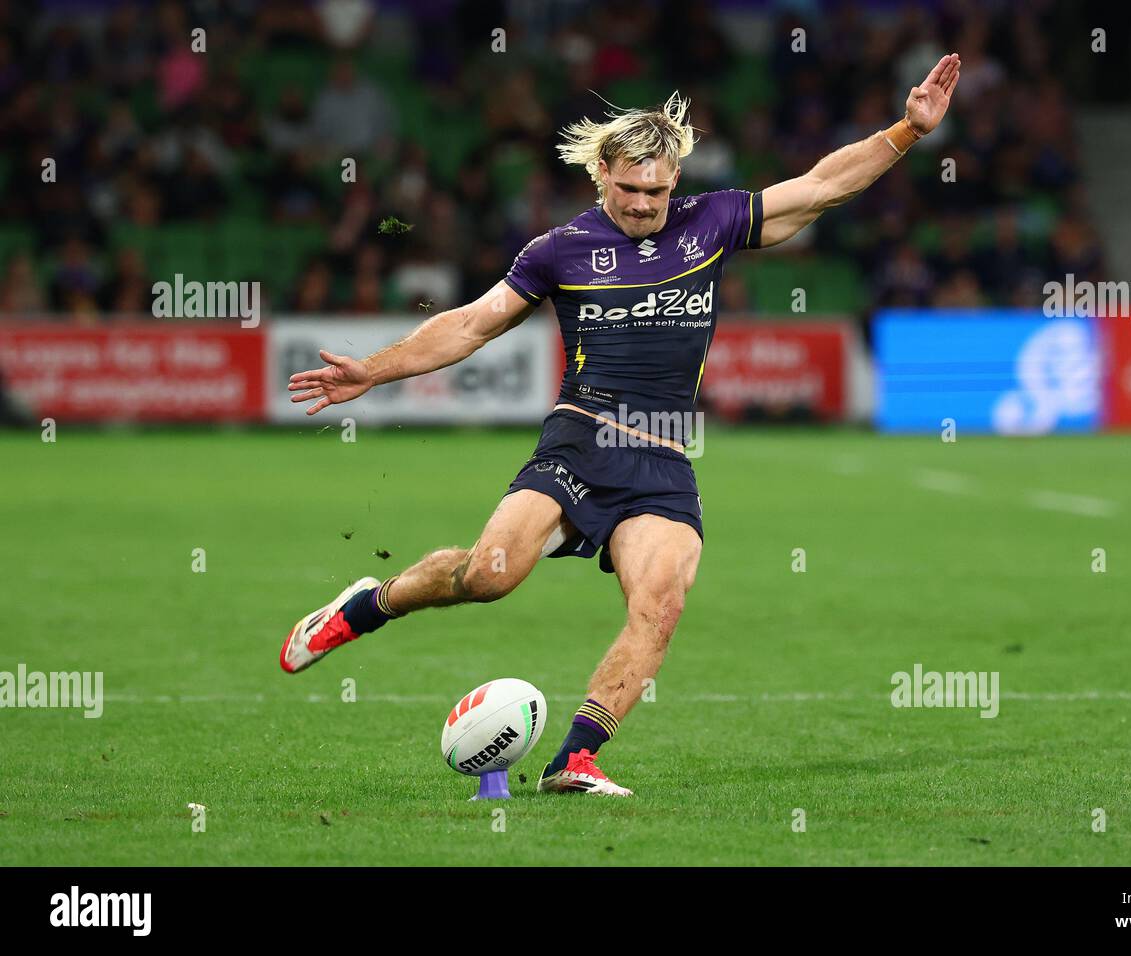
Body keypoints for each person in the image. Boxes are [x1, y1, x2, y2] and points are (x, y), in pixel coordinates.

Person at [280, 55, 961, 795]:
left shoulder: (716, 221)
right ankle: (366, 605)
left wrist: (906, 131)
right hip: (580, 439)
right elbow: (472, 326)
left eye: (658, 191)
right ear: (602, 173)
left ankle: (575, 759)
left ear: (676, 181)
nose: (644, 205)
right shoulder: (559, 252)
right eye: (631, 189)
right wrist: (373, 370)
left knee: (660, 603)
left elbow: (825, 185)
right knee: (487, 577)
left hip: (664, 458)